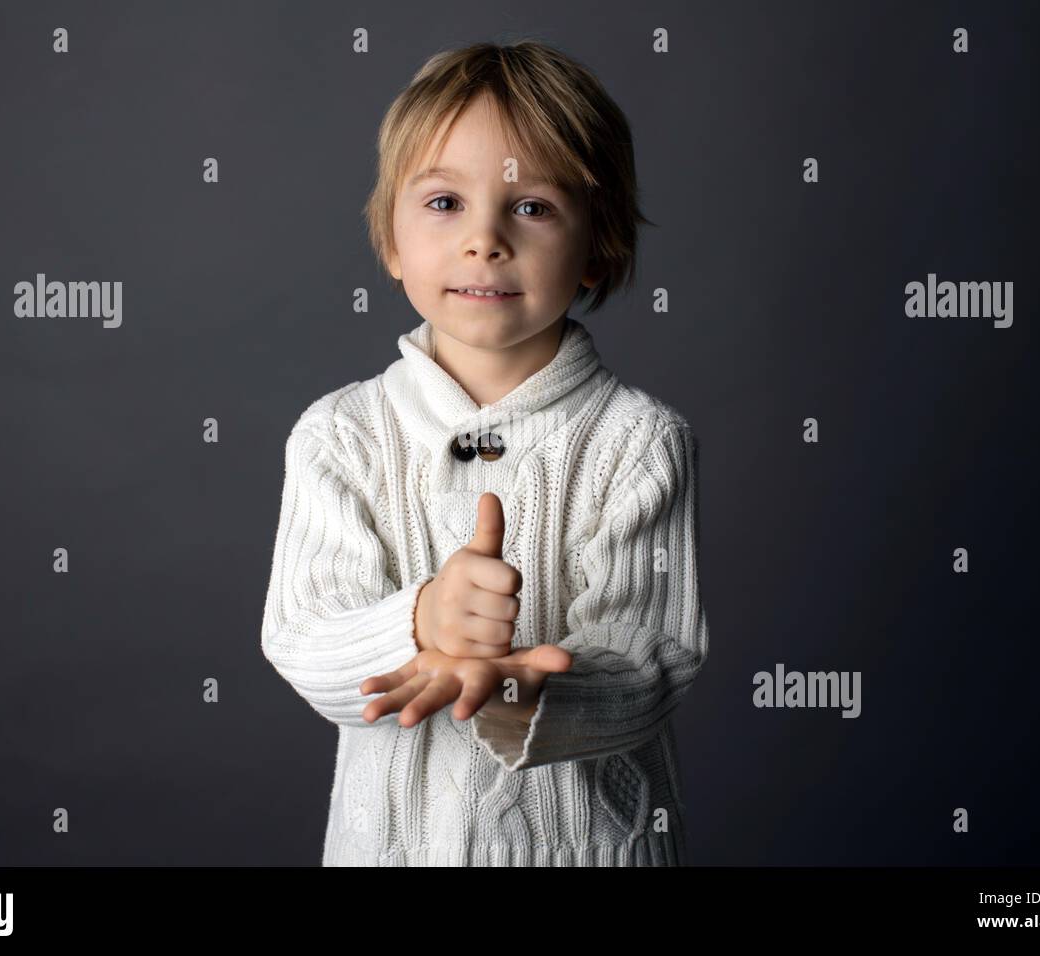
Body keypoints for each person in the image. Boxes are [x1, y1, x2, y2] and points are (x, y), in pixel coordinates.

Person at [260, 39, 709, 866]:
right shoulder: (340, 434)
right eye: (443, 204)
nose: (484, 240)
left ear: (599, 247)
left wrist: (523, 687)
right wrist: (421, 621)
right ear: (390, 240)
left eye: (531, 207)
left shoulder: (639, 440)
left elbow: (654, 656)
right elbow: (302, 635)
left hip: (593, 848)